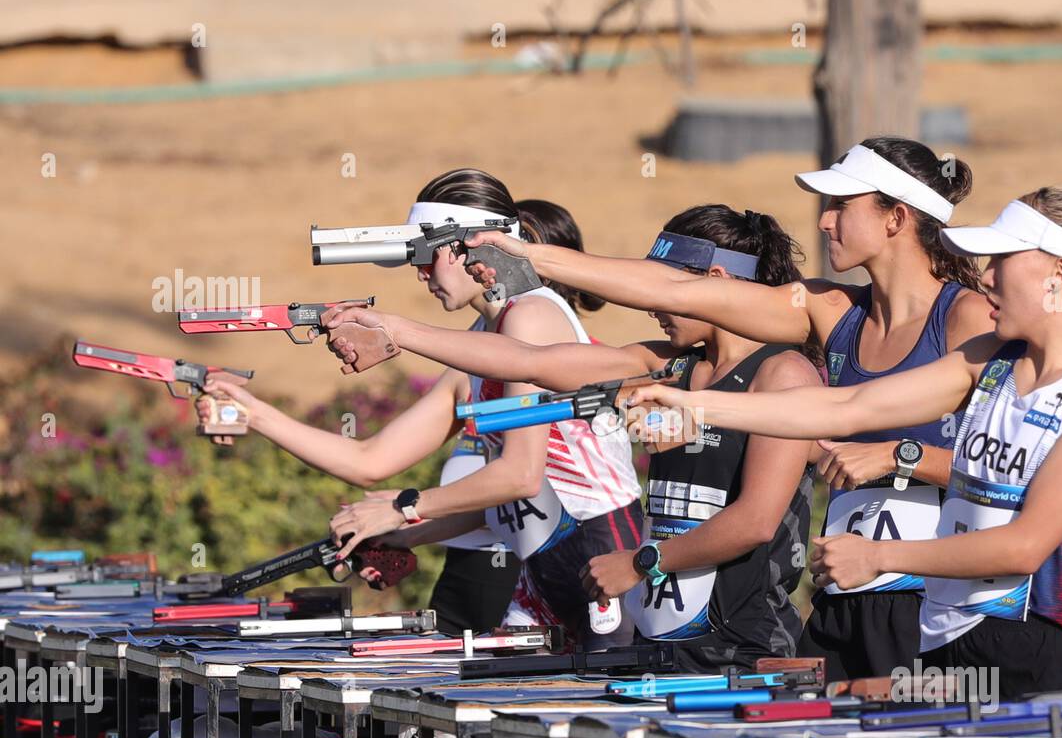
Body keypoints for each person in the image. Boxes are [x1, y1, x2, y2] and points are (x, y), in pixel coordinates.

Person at [462, 138, 993, 681]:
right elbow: (676, 287)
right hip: (843, 597)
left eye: (841, 206)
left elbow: (1021, 473)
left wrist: (901, 457)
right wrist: (529, 255)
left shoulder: (968, 317)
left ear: (896, 217)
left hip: (934, 605)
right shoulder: (831, 310)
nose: (825, 222)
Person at [622, 186, 1062, 705]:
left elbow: (1024, 546)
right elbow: (845, 407)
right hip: (946, 640)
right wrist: (696, 405)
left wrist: (879, 555)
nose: (986, 277)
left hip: (1048, 651)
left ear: (1061, 272)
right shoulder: (990, 368)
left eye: (1004, 259)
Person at [328, 204, 823, 673]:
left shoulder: (783, 373)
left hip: (744, 647)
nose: (651, 307)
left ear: (715, 283)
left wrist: (642, 561)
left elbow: (756, 521)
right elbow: (530, 361)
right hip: (659, 640)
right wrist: (395, 329)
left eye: (661, 290)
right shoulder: (668, 364)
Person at [200, 173, 642, 648]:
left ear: (468, 247)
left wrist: (402, 510)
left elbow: (521, 476)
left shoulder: (529, 317)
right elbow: (370, 461)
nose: (421, 274)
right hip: (543, 564)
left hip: (600, 554)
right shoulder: (486, 333)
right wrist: (253, 413)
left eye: (426, 256)